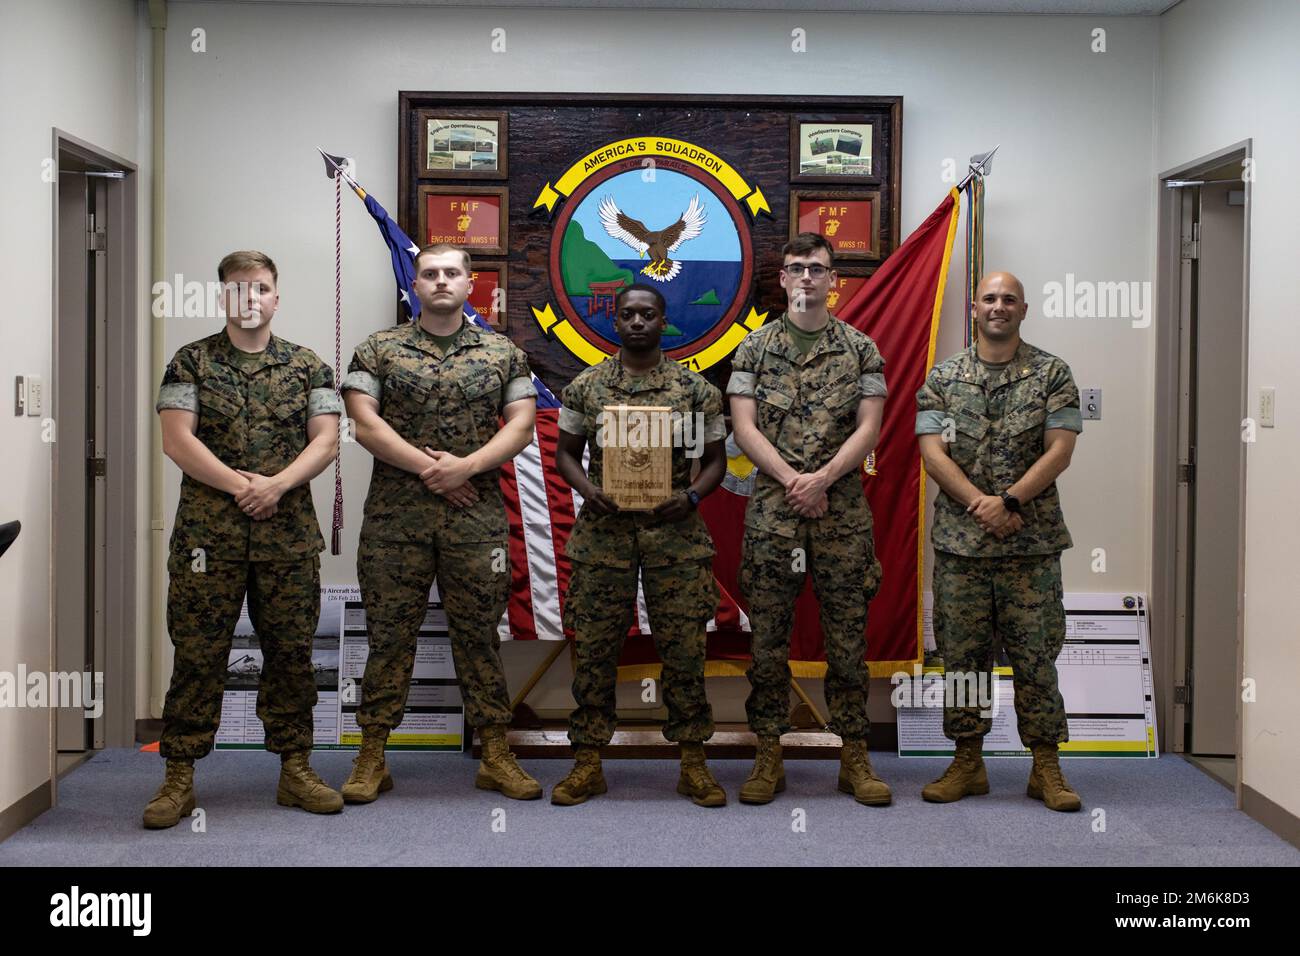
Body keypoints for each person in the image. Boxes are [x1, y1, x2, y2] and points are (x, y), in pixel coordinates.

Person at [146, 250, 343, 828]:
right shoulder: (191, 363)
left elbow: (326, 441)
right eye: (237, 289)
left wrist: (277, 486)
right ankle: (178, 775)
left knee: (291, 655)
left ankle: (295, 769)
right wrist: (244, 488)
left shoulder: (308, 366)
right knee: (199, 655)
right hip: (209, 540)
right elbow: (177, 441)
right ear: (222, 297)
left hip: (286, 539)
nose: (249, 298)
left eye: (260, 288)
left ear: (276, 298)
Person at [340, 243, 541, 802]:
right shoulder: (378, 350)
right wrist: (435, 470)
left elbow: (521, 425)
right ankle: (371, 757)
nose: (441, 282)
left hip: (474, 519)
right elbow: (364, 423)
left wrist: (467, 468)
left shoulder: (502, 353)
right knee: (388, 639)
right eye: (430, 273)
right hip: (394, 520)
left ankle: (496, 754)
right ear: (415, 283)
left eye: (452, 273)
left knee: (479, 637)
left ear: (470, 283)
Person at [727, 233, 891, 806]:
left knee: (848, 645)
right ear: (782, 279)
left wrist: (821, 480)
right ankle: (768, 754)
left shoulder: (862, 350)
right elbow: (743, 428)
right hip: (774, 515)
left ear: (833, 281)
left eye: (816, 269)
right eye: (795, 268)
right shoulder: (753, 349)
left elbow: (869, 428)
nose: (805, 278)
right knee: (767, 645)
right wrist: (795, 482)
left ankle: (855, 757)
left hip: (841, 515)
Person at [551, 284, 728, 807]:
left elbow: (714, 460)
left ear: (663, 320)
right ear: (615, 321)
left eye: (646, 314)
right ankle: (587, 762)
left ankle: (693, 763)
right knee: (596, 650)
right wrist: (589, 492)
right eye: (626, 314)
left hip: (674, 535)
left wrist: (692, 496)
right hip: (604, 536)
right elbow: (565, 454)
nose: (635, 322)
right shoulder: (587, 387)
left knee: (684, 651)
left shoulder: (693, 392)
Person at [915, 271, 1083, 812]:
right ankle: (968, 762)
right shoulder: (943, 377)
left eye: (1009, 299)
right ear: (974, 307)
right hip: (963, 549)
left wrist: (1008, 501)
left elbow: (1059, 450)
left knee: (1037, 658)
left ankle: (1046, 768)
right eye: (989, 298)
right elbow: (932, 451)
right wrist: (979, 505)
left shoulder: (1052, 373)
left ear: (1023, 309)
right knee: (963, 659)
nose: (998, 307)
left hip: (1029, 546)